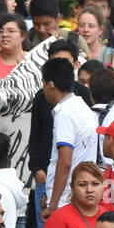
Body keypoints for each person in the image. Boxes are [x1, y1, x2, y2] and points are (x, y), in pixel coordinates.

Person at [41, 56, 99, 218]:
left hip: (65, 202)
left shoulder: (65, 114)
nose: (43, 89)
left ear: (50, 85)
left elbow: (65, 162)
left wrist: (53, 204)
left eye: (43, 84)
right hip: (77, 197)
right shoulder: (83, 108)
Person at [41, 161, 111, 228]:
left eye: (95, 184)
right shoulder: (58, 218)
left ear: (103, 186)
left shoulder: (109, 216)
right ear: (72, 188)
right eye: (82, 185)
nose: (89, 190)